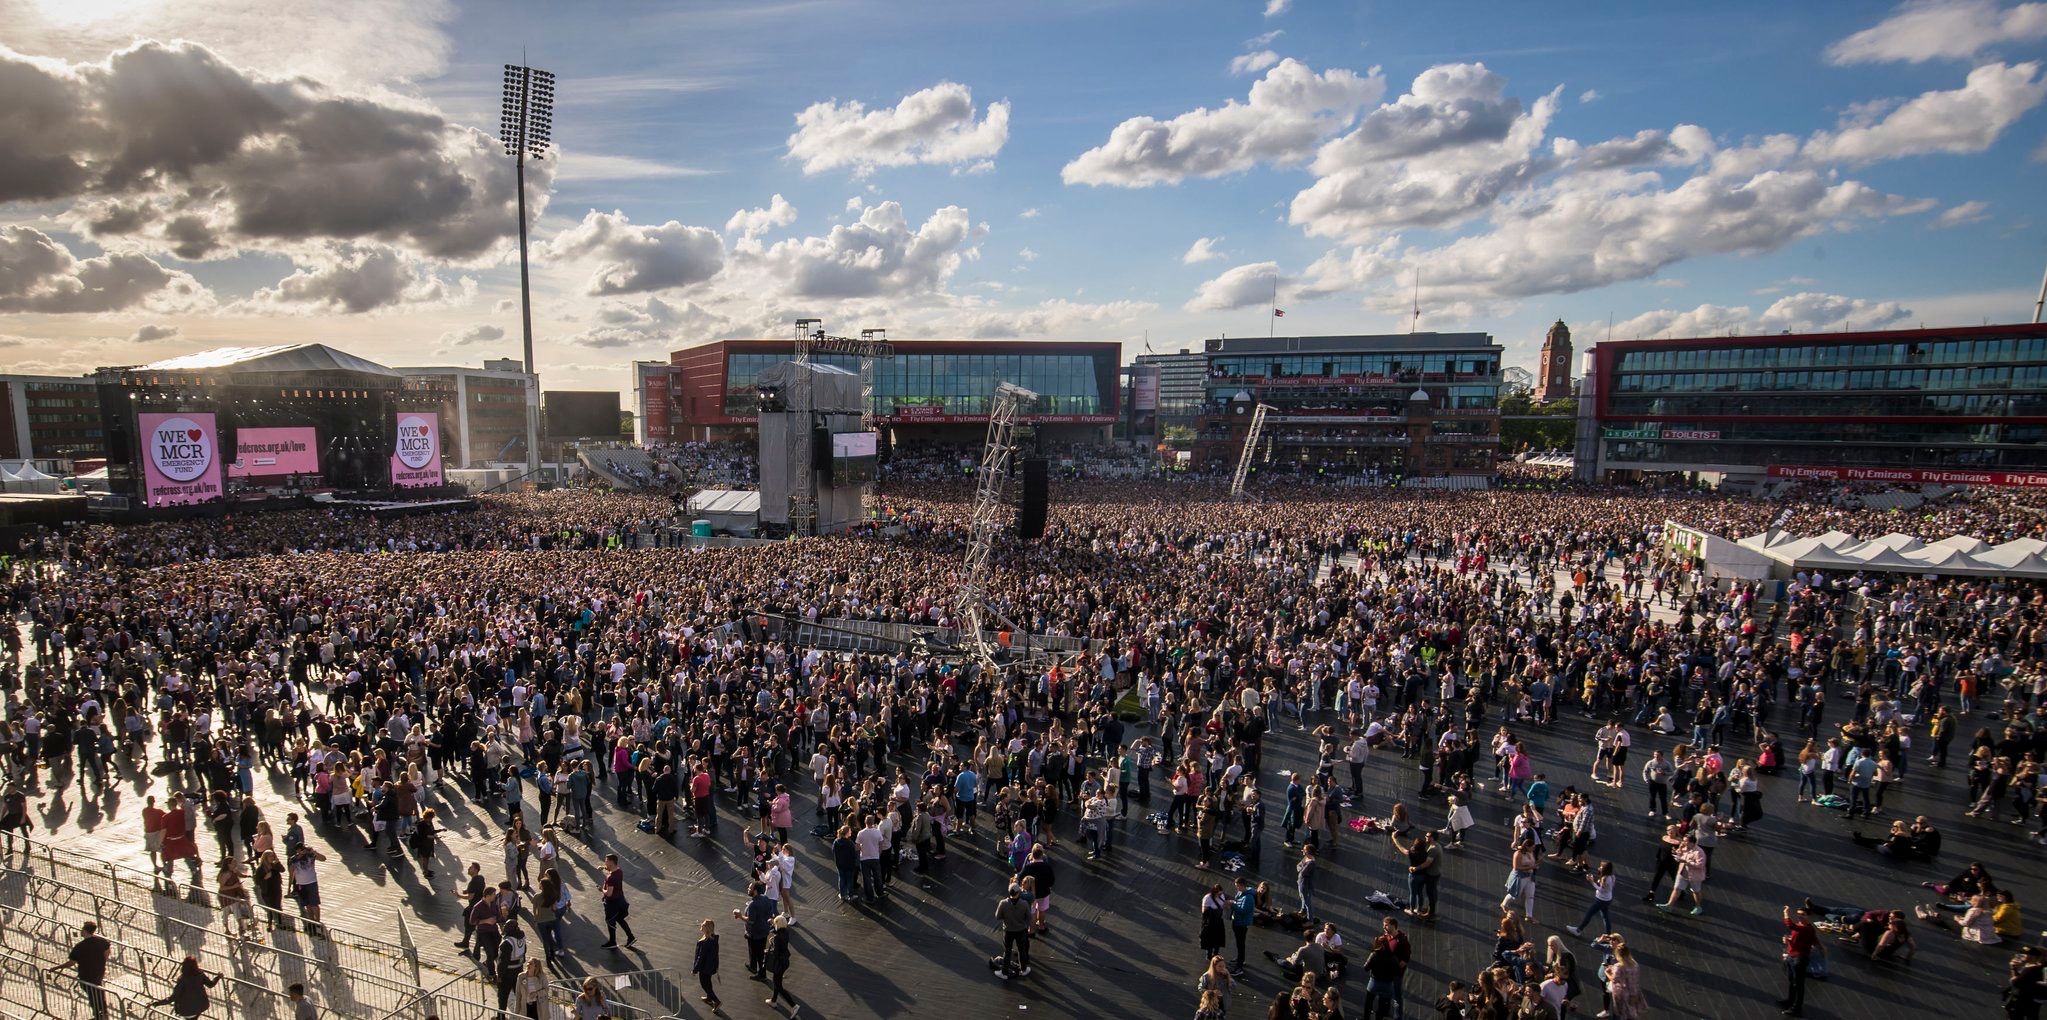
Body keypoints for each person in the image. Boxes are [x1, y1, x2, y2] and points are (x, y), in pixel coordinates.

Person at [47, 922, 112, 1020]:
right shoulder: (102, 941)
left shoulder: (80, 946)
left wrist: (56, 968)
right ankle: (103, 1014)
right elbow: (107, 952)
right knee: (98, 992)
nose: (80, 931)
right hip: (99, 972)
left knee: (93, 995)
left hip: (86, 975)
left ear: (85, 931)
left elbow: (71, 963)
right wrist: (101, 962)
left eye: (82, 929)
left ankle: (99, 1016)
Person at [150, 957, 222, 1019]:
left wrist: (156, 1003)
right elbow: (210, 984)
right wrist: (218, 977)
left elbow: (173, 997)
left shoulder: (183, 980)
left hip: (187, 1010)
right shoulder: (200, 974)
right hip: (200, 1006)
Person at [1779, 904, 1817, 1017]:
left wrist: (1786, 913)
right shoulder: (1800, 926)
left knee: (1798, 984)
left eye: (1803, 915)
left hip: (1799, 959)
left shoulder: (1807, 928)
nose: (1800, 916)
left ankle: (1797, 1007)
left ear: (1808, 916)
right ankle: (1790, 1001)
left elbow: (1790, 925)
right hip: (1792, 956)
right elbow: (1797, 940)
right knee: (1792, 981)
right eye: (1799, 914)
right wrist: (1788, 941)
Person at [1566, 860, 1617, 937]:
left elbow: (1601, 890)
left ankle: (1578, 930)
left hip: (1601, 900)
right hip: (1608, 899)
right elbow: (1607, 889)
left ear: (1605, 869)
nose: (1599, 867)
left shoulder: (1605, 879)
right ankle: (1608, 935)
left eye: (1601, 867)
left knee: (1589, 914)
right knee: (1605, 917)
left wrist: (1592, 882)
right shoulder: (1612, 876)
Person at [599, 853, 637, 949]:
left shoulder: (610, 878)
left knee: (610, 921)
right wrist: (603, 867)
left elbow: (609, 893)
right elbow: (611, 869)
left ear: (611, 862)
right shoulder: (619, 871)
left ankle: (612, 942)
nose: (605, 862)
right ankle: (630, 937)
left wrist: (601, 889)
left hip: (612, 904)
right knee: (620, 919)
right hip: (621, 901)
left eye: (606, 860)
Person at [997, 883, 1034, 978]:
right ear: (1019, 892)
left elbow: (998, 916)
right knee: (1022, 950)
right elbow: (1029, 917)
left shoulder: (1003, 903)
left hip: (1008, 930)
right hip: (1020, 930)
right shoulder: (1024, 904)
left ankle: (1004, 973)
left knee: (1007, 950)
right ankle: (1024, 969)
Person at [764, 914, 796, 1011]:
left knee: (778, 985)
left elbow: (776, 953)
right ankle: (773, 1001)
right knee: (777, 982)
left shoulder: (777, 938)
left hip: (779, 963)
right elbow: (776, 931)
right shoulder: (786, 932)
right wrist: (772, 924)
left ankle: (794, 1006)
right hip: (785, 961)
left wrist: (769, 948)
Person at [692, 918, 722, 1010]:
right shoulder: (713, 939)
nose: (701, 925)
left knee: (704, 984)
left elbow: (700, 957)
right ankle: (709, 998)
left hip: (704, 967)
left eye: (703, 924)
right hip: (710, 965)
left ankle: (716, 1001)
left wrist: (695, 969)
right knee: (708, 982)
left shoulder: (705, 942)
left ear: (707, 928)